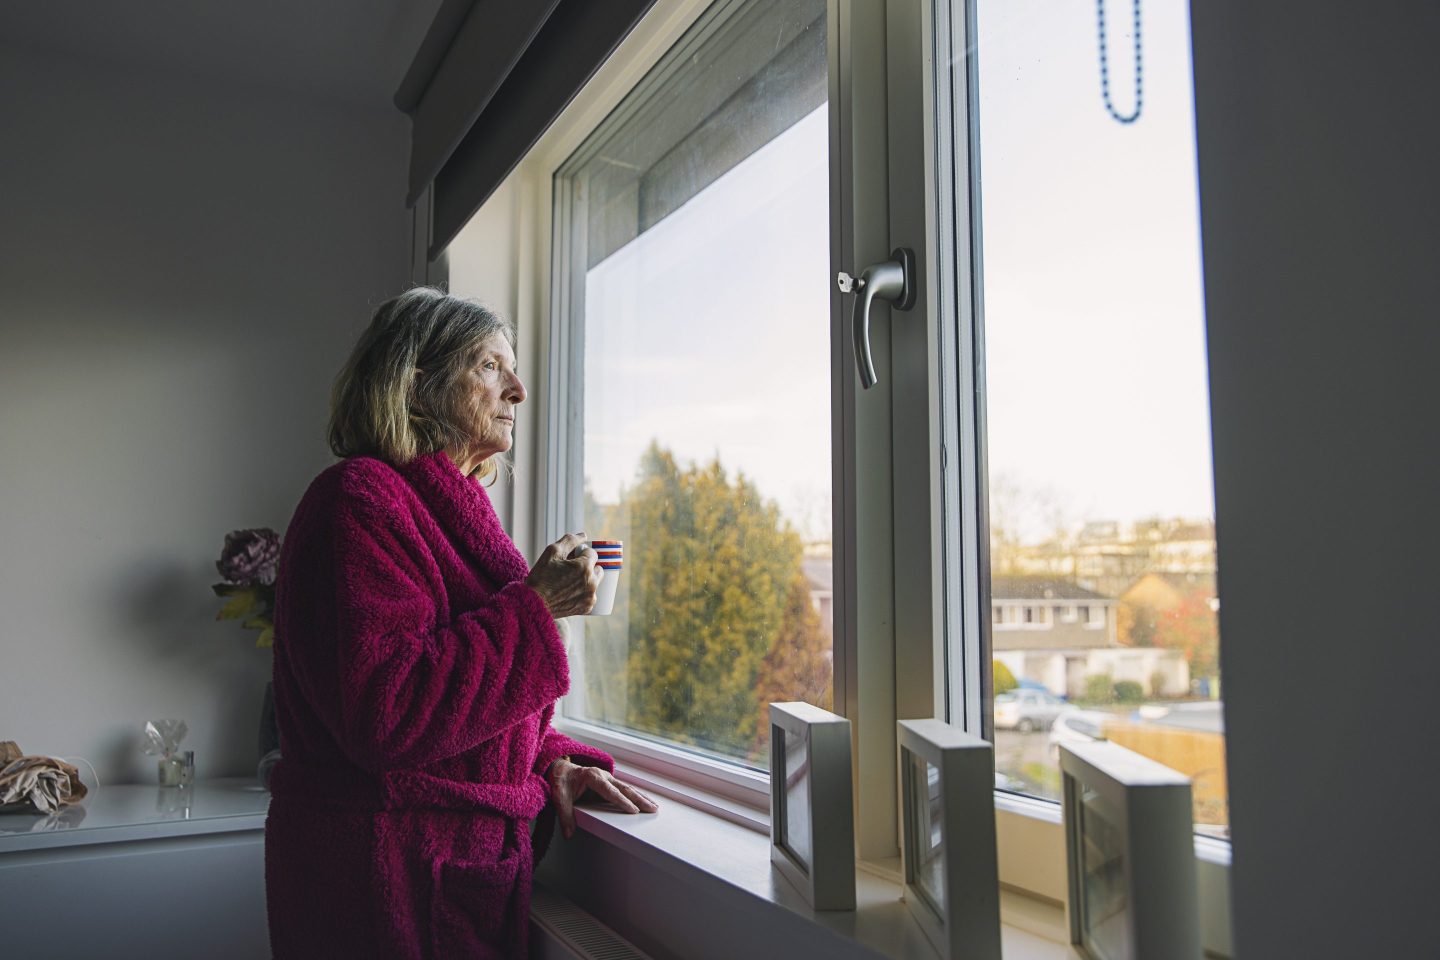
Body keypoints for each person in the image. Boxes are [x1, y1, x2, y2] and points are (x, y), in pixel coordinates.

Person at [264, 287, 657, 959]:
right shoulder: (358, 502)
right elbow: (387, 714)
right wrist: (537, 607)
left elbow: (471, 714)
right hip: (374, 879)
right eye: (490, 366)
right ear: (417, 388)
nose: (519, 390)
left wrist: (552, 757)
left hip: (449, 870)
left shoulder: (450, 512)